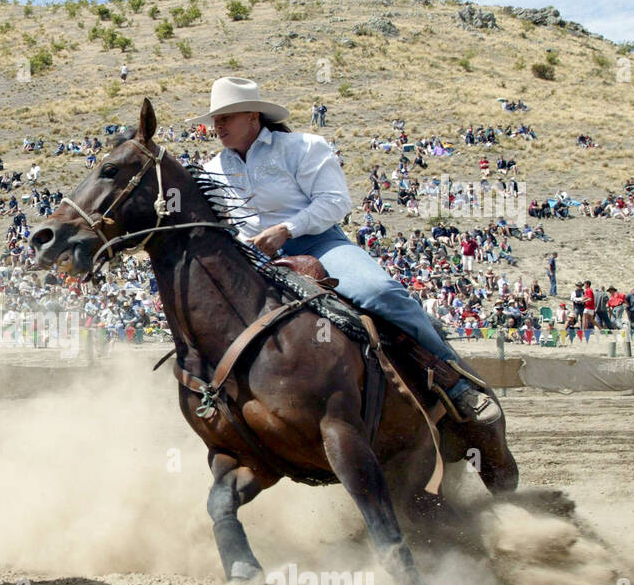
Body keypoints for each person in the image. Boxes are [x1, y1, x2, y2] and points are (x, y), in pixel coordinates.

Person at [195, 76, 500, 425]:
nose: (217, 126)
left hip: (317, 245)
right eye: (215, 119)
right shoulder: (212, 170)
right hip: (254, 262)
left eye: (226, 117)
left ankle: (456, 380)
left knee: (379, 292)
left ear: (252, 116)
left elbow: (335, 201)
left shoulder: (302, 147)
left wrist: (286, 229)